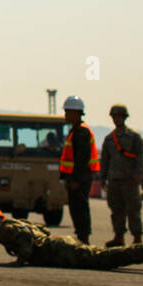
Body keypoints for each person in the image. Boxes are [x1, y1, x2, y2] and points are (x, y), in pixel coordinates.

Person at [0, 206, 143, 272]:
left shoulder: (6, 229)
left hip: (61, 252)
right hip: (60, 244)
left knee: (107, 259)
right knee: (105, 256)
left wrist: (21, 259)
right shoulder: (16, 222)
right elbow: (41, 230)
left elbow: (25, 241)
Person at [100, 104, 143, 246]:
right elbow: (105, 160)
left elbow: (141, 157)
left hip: (130, 180)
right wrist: (103, 179)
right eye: (114, 116)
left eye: (119, 116)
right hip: (114, 180)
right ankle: (118, 236)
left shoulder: (134, 137)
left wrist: (139, 174)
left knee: (133, 210)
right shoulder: (109, 139)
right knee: (116, 210)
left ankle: (137, 237)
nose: (116, 119)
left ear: (124, 117)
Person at [58, 95, 100, 243]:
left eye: (68, 111)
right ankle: (81, 235)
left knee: (80, 208)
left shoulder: (81, 132)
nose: (65, 115)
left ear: (76, 113)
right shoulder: (76, 130)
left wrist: (76, 179)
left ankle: (84, 237)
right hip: (75, 178)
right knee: (76, 208)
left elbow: (82, 159)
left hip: (80, 179)